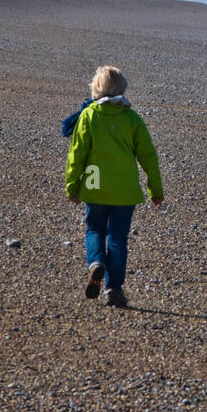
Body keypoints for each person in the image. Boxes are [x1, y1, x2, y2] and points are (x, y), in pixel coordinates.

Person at [65, 65, 163, 307]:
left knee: (95, 229)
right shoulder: (131, 119)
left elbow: (76, 154)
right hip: (125, 185)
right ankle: (113, 288)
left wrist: (72, 185)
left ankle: (96, 262)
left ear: (95, 89)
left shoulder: (88, 116)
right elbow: (148, 156)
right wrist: (155, 190)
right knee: (118, 237)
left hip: (94, 179)